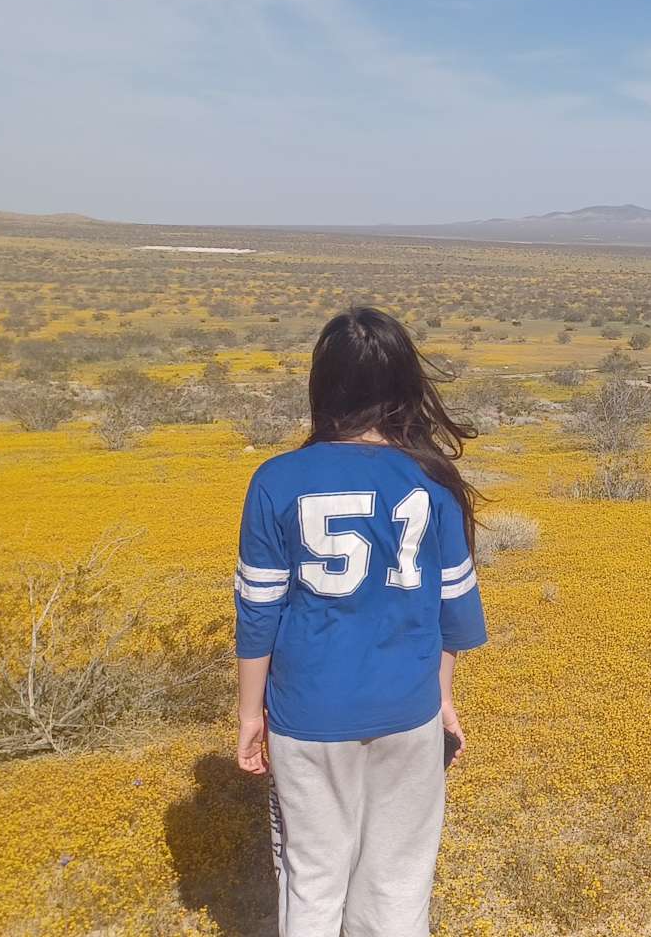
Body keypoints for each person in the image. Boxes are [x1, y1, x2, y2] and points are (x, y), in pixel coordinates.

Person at [233, 307, 488, 936]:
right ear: (404, 385)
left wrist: (249, 716)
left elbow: (258, 612)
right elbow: (451, 613)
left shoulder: (276, 481)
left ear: (324, 385)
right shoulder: (433, 483)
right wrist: (443, 697)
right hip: (409, 713)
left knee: (313, 881)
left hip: (308, 715)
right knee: (398, 887)